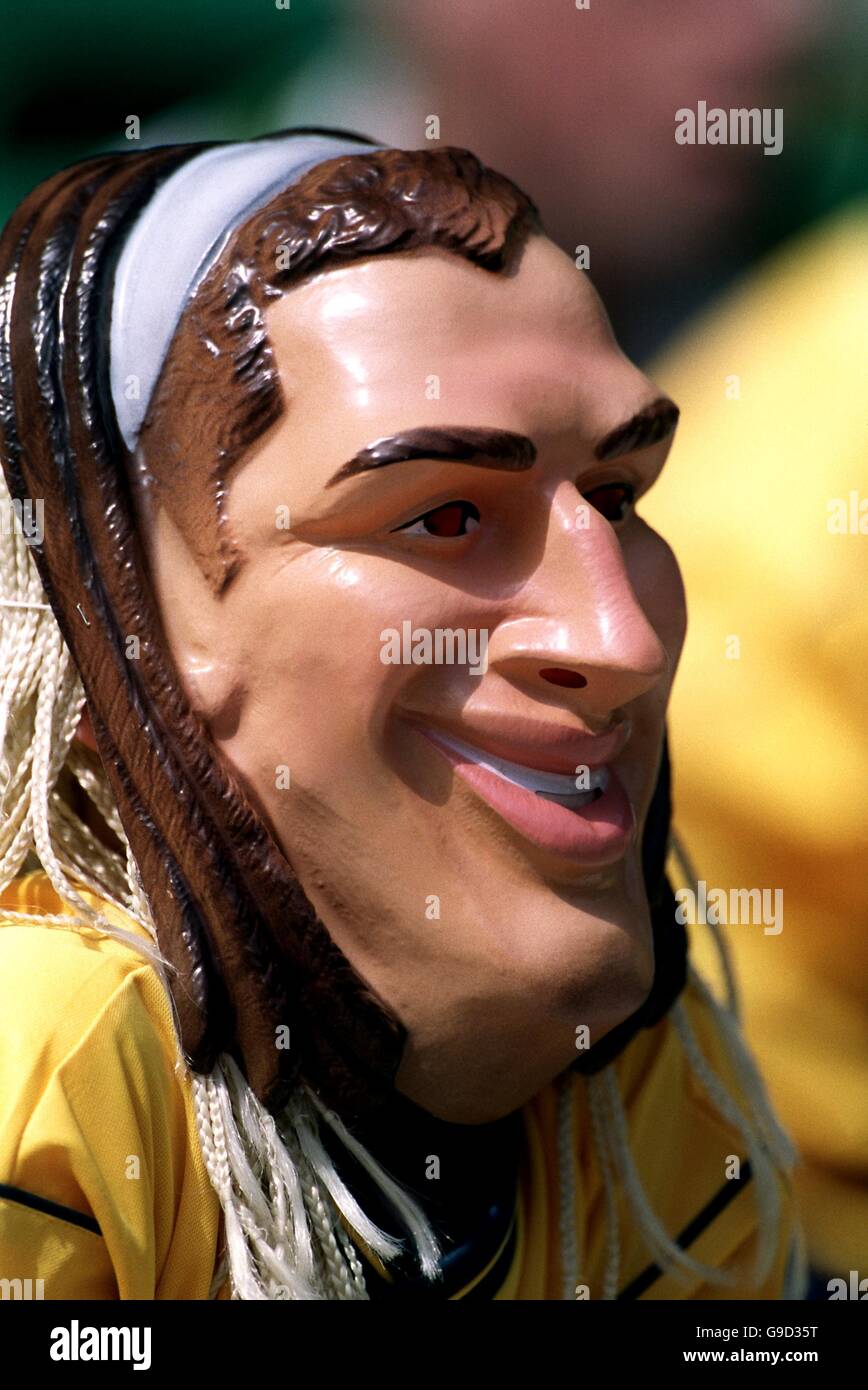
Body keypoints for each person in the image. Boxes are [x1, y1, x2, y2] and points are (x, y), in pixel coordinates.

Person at [0, 128, 801, 1300]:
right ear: (118, 628)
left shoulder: (636, 1115)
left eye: (618, 495)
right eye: (442, 518)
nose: (619, 640)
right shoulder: (45, 1079)